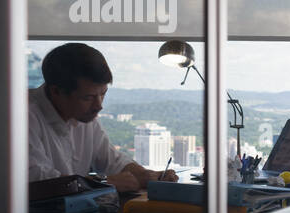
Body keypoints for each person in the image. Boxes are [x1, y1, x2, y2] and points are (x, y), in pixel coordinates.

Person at [27, 42, 178, 190]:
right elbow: (40, 183)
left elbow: (112, 160)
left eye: (103, 94)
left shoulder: (83, 115)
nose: (98, 106)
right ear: (56, 92)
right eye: (88, 98)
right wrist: (106, 182)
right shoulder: (22, 117)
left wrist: (145, 175)